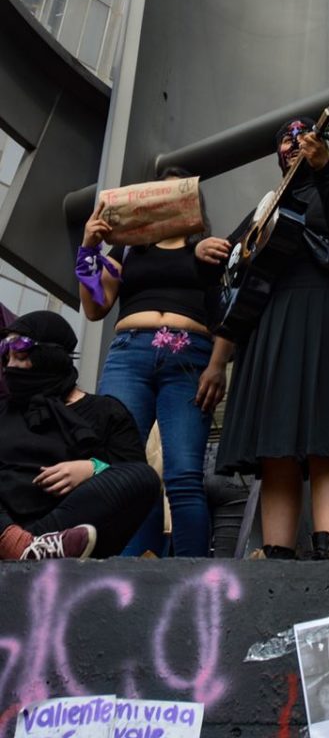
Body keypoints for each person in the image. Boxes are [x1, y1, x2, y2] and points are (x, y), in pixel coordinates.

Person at [215, 118, 329, 561]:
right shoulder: (264, 208)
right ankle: (277, 559)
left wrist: (326, 170)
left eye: (302, 135)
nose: (292, 142)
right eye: (284, 139)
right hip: (273, 325)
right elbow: (232, 281)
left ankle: (328, 556)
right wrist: (204, 254)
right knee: (277, 448)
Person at [78, 169, 231, 556]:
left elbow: (229, 313)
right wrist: (88, 249)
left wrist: (217, 365)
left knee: (183, 474)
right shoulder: (128, 250)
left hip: (189, 354)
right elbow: (95, 307)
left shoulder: (207, 248)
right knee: (124, 468)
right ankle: (135, 568)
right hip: (130, 353)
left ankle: (192, 574)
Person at [0, 311, 160, 561]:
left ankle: (33, 547)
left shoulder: (106, 412)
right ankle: (17, 545)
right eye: (5, 353)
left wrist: (92, 468)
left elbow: (132, 475)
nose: (11, 364)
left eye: (20, 350)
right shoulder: (3, 411)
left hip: (71, 534)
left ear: (50, 353)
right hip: (4, 529)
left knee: (144, 477)